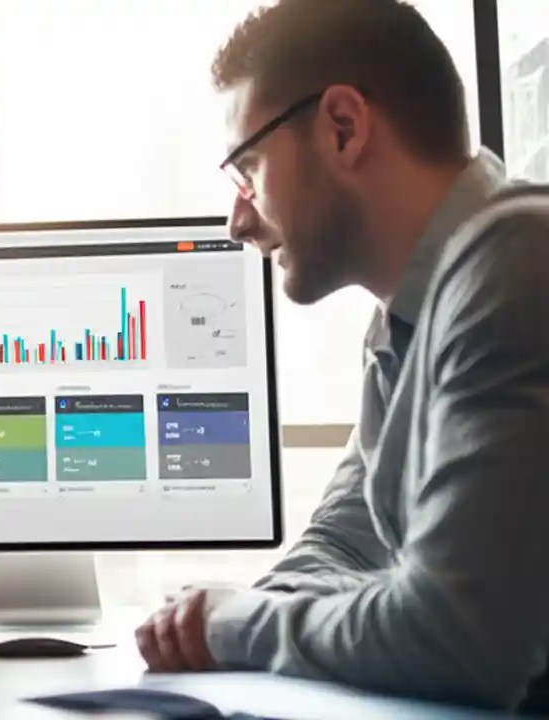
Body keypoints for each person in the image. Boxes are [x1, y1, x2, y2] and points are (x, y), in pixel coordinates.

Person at [134, 0, 549, 711]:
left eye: (249, 169)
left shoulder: (515, 266)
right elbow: (342, 544)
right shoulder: (406, 323)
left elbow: (459, 632)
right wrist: (212, 629)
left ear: (344, 128)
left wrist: (234, 621)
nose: (238, 221)